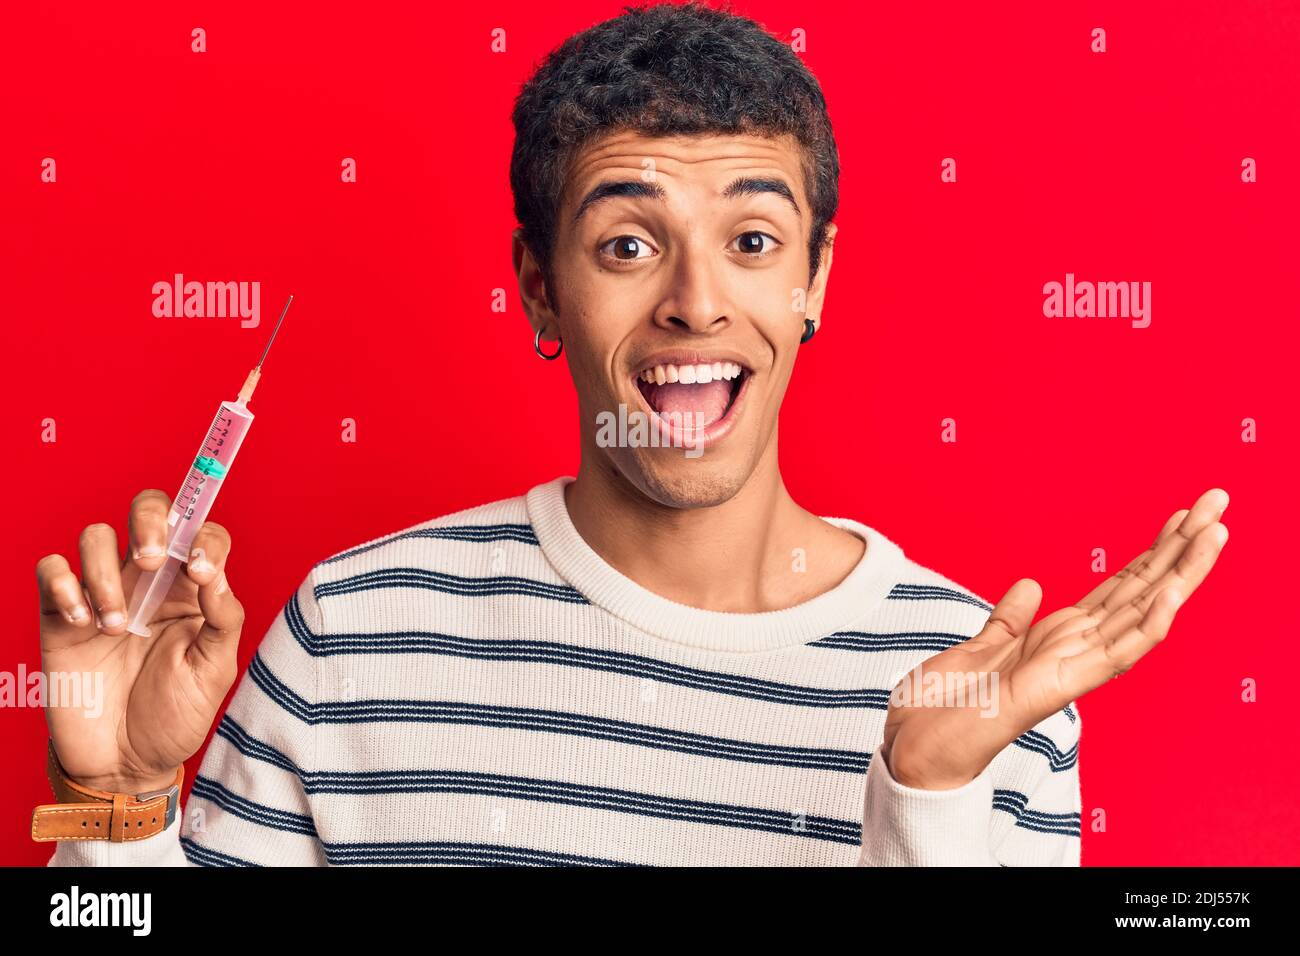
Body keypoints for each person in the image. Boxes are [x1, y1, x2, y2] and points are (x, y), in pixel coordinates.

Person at [34, 1, 1227, 866]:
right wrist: (116, 798)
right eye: (625, 242)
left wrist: (924, 794)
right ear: (539, 288)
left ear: (816, 278)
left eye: (753, 242)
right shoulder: (353, 628)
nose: (696, 301)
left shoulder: (986, 686)